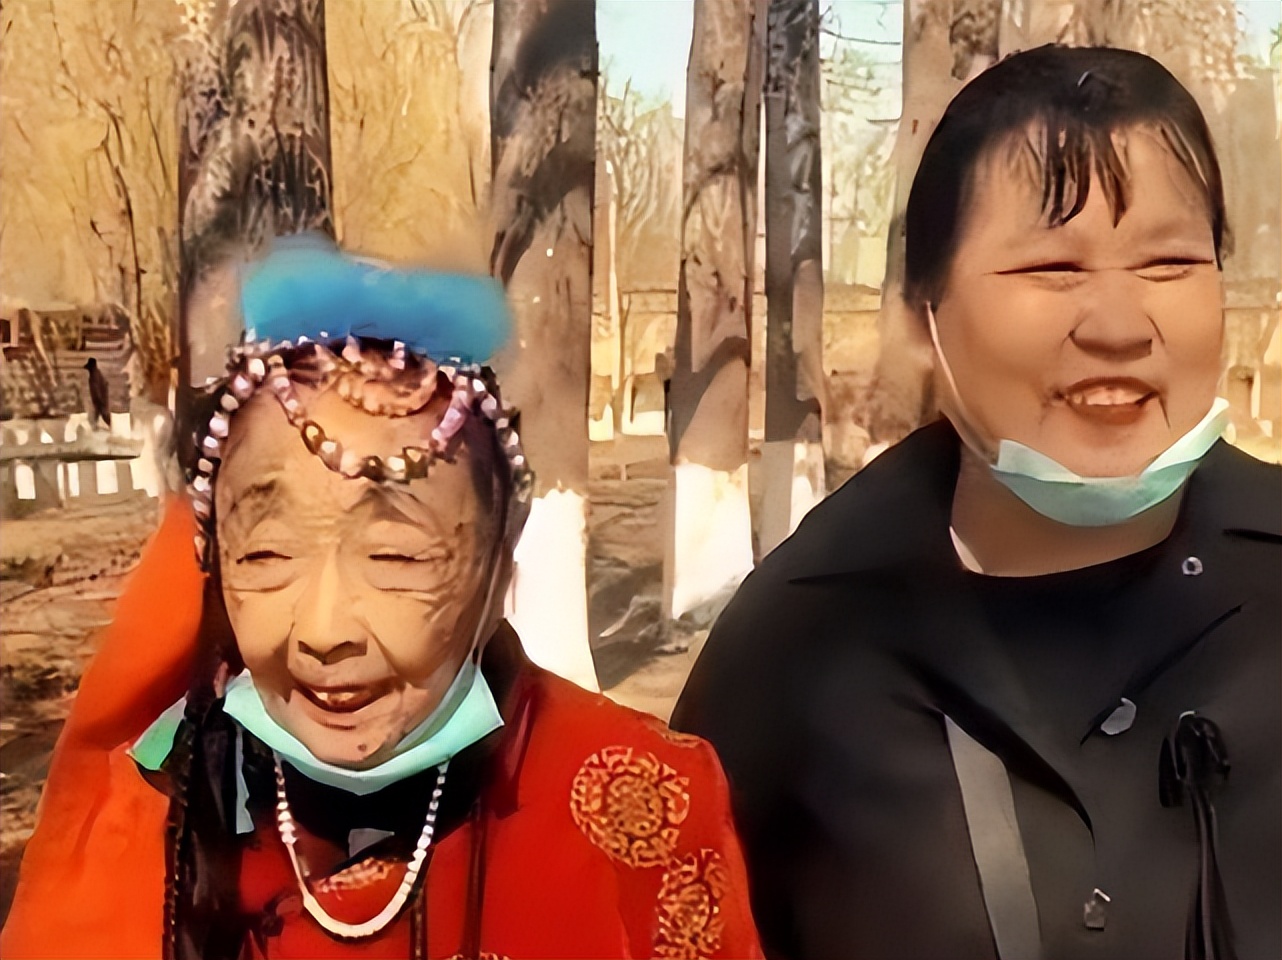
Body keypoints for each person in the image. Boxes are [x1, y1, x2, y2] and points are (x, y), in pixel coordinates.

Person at [673, 45, 1280, 960]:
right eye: (1052, 270)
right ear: (922, 321)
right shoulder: (799, 651)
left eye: (1167, 262)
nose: (1118, 326)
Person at [2, 236, 762, 960]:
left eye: (396, 557)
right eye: (266, 554)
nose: (324, 631)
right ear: (212, 556)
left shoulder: (645, 796)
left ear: (502, 554)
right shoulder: (160, 807)